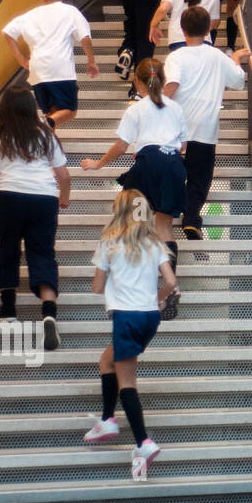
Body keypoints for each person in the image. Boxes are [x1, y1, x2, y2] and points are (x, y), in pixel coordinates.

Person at [82, 188, 177, 480]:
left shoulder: (109, 242)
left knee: (128, 382)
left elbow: (97, 288)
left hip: (126, 317)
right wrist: (156, 298)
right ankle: (107, 419)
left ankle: (143, 442)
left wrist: (111, 281)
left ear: (119, 211)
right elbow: (171, 282)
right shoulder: (154, 242)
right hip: (149, 317)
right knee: (106, 361)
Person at [80, 58, 186, 318]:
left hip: (148, 163)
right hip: (173, 164)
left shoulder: (136, 109)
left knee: (129, 221)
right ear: (162, 79)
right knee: (163, 228)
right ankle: (169, 287)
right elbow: (183, 147)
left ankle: (128, 284)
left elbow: (122, 145)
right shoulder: (176, 108)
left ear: (137, 82)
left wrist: (98, 164)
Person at [0, 88, 70, 350]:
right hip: (44, 199)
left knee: (8, 250)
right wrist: (64, 198)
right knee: (43, 254)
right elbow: (64, 176)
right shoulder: (45, 136)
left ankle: (8, 310)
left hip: (10, 198)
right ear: (31, 107)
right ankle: (48, 313)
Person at [163, 7, 250, 240]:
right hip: (205, 128)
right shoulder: (217, 56)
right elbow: (239, 80)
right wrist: (234, 59)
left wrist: (155, 105)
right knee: (200, 177)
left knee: (174, 172)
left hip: (176, 129)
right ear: (209, 29)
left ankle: (168, 212)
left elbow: (172, 84)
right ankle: (191, 218)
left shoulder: (175, 57)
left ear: (182, 29)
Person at [2, 0, 98, 128]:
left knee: (51, 112)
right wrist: (91, 61)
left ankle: (49, 148)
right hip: (61, 68)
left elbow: (8, 32)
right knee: (69, 110)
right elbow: (85, 38)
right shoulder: (70, 12)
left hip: (38, 70)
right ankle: (41, 124)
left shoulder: (30, 15)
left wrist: (20, 59)